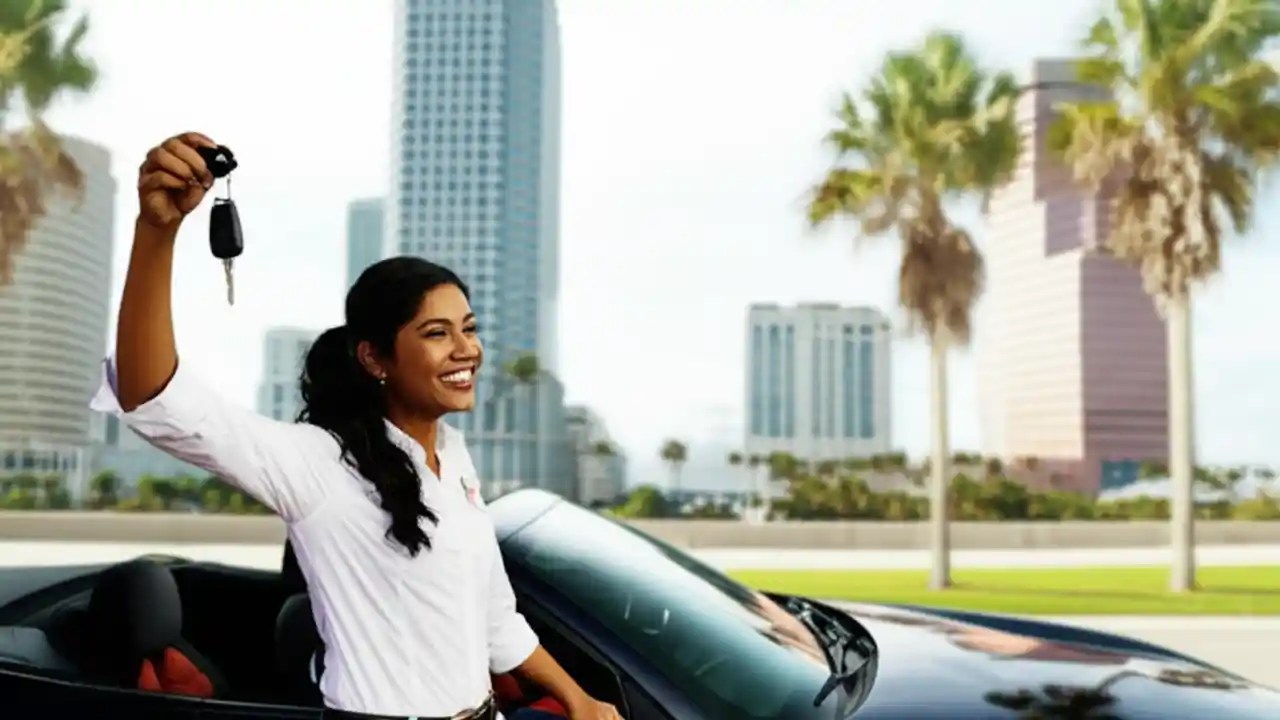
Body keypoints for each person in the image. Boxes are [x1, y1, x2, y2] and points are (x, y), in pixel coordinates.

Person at [93, 131, 621, 720]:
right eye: (436, 333)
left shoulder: (454, 456)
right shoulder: (319, 465)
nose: (466, 349)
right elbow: (156, 401)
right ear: (375, 359)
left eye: (468, 328)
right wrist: (156, 231)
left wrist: (580, 699)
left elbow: (495, 617)